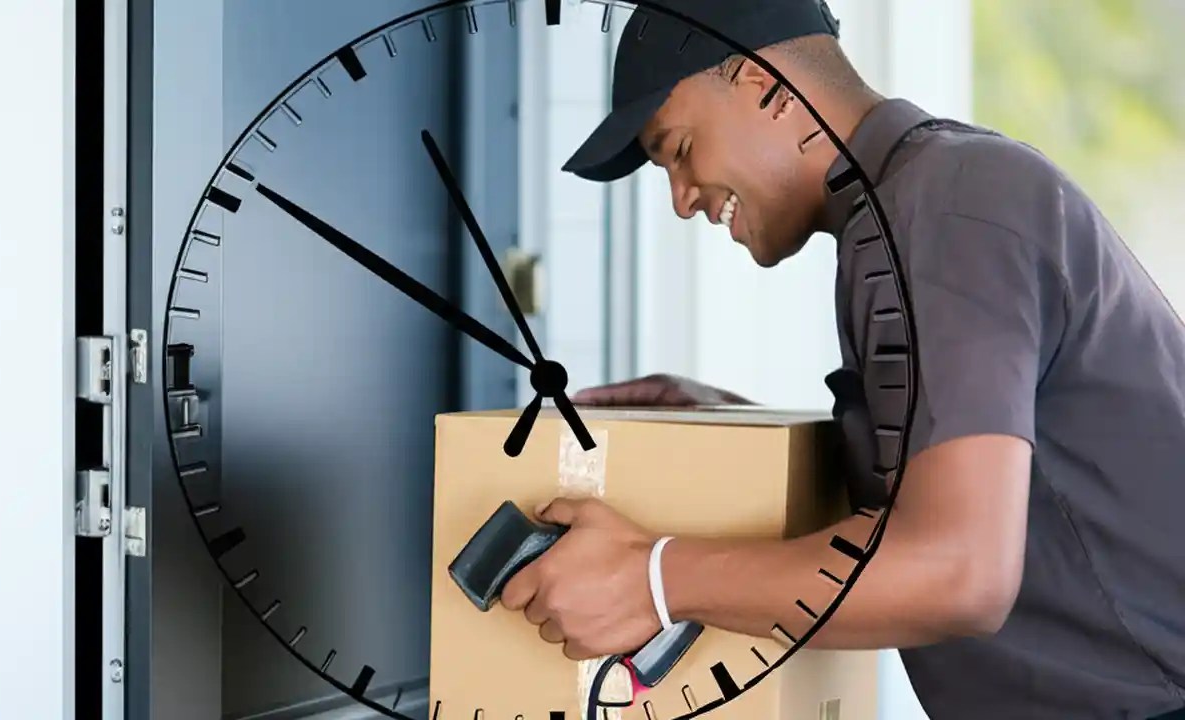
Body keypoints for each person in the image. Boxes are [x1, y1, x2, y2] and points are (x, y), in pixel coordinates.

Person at [496, 1, 1185, 718]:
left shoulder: (945, 207)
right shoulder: (916, 206)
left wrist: (653, 581)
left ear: (768, 86)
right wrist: (731, 433)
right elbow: (950, 493)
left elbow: (959, 571)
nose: (680, 200)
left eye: (678, 148)